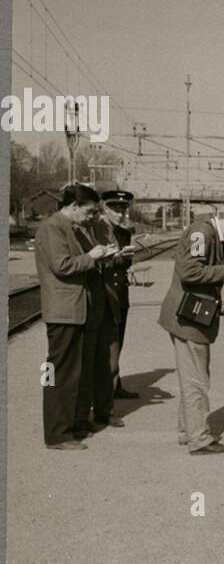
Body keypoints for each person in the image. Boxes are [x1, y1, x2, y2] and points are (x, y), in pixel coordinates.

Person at [158, 208, 224, 455]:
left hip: (192, 315)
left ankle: (188, 431)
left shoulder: (211, 234)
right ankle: (199, 440)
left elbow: (201, 267)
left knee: (191, 375)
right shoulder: (202, 233)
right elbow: (189, 271)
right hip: (188, 317)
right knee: (197, 379)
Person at [33, 183, 118, 450]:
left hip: (78, 310)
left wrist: (101, 257)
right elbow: (62, 265)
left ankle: (76, 424)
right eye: (90, 211)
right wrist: (92, 256)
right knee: (60, 374)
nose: (93, 217)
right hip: (64, 311)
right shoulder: (52, 227)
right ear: (73, 206)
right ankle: (57, 434)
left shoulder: (72, 228)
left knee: (76, 372)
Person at [100, 189, 139, 398]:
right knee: (107, 344)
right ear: (104, 207)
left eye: (124, 208)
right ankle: (106, 391)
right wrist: (115, 258)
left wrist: (125, 259)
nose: (121, 213)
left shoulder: (124, 233)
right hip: (105, 294)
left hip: (120, 294)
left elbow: (124, 264)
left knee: (118, 341)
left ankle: (115, 386)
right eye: (116, 208)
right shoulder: (96, 230)